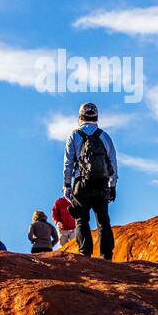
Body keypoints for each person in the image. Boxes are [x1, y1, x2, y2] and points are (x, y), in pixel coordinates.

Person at [63, 101, 118, 259]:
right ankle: (106, 255)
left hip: (81, 183)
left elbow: (68, 163)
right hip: (101, 182)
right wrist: (112, 185)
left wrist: (67, 184)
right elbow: (113, 162)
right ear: (97, 117)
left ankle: (84, 253)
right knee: (103, 220)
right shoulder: (104, 136)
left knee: (81, 219)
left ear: (80, 117)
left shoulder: (74, 136)